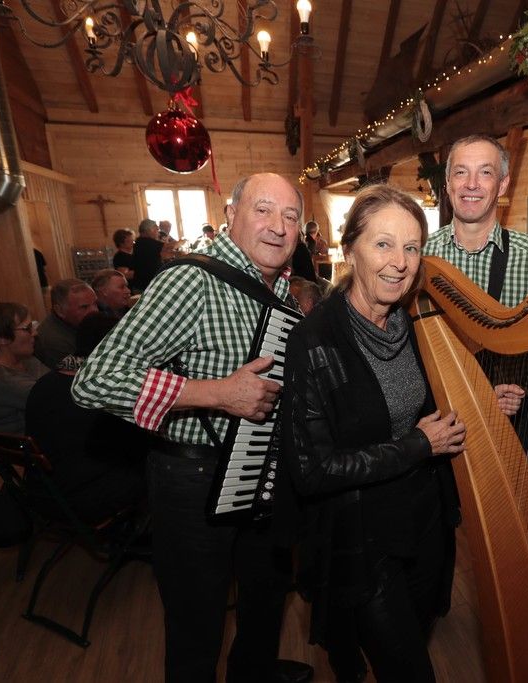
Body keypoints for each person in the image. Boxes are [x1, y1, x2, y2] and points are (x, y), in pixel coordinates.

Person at [72, 173, 313, 683]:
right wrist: (217, 393)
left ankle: (254, 672)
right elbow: (94, 380)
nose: (278, 226)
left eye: (291, 216)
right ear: (231, 215)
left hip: (259, 470)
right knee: (197, 622)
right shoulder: (192, 280)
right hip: (192, 479)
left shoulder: (284, 290)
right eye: (263, 210)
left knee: (266, 594)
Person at [281, 184, 466, 682]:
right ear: (349, 250)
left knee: (418, 632)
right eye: (383, 244)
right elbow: (312, 470)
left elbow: (427, 410)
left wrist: (488, 401)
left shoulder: (413, 324)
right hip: (363, 542)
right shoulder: (313, 341)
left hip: (424, 526)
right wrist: (416, 446)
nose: (400, 262)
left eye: (411, 247)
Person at [424, 133, 528, 417]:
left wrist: (520, 387)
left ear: (502, 185)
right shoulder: (421, 254)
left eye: (485, 172)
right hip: (438, 411)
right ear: (447, 184)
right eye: (461, 172)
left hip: (511, 417)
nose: (471, 184)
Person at [26, 313, 146, 524]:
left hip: (39, 492)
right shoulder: (103, 394)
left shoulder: (43, 384)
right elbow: (137, 446)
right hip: (81, 499)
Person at [0, 302, 48, 433]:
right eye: (27, 328)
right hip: (35, 447)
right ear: (1, 338)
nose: (34, 332)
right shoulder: (3, 381)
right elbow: (63, 400)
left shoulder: (22, 359)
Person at [35, 279, 97, 370]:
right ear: (59, 310)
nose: (94, 310)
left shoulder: (81, 323)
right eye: (84, 307)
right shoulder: (53, 340)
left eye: (95, 303)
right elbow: (85, 372)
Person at [131, 218, 163, 292]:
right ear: (148, 230)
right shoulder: (145, 242)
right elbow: (169, 247)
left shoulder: (141, 241)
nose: (158, 231)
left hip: (146, 284)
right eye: (156, 229)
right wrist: (182, 241)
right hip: (145, 286)